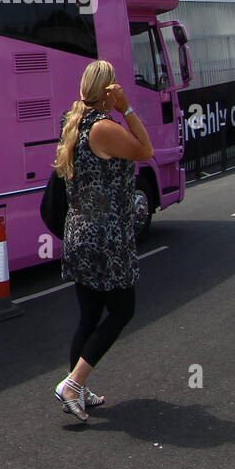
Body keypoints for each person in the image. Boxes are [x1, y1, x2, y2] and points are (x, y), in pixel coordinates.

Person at [51, 61, 153, 422]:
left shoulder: (73, 123)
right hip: (105, 239)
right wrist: (126, 108)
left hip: (79, 233)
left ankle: (76, 387)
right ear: (109, 90)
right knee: (123, 310)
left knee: (90, 315)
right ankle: (74, 384)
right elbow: (146, 151)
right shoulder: (103, 128)